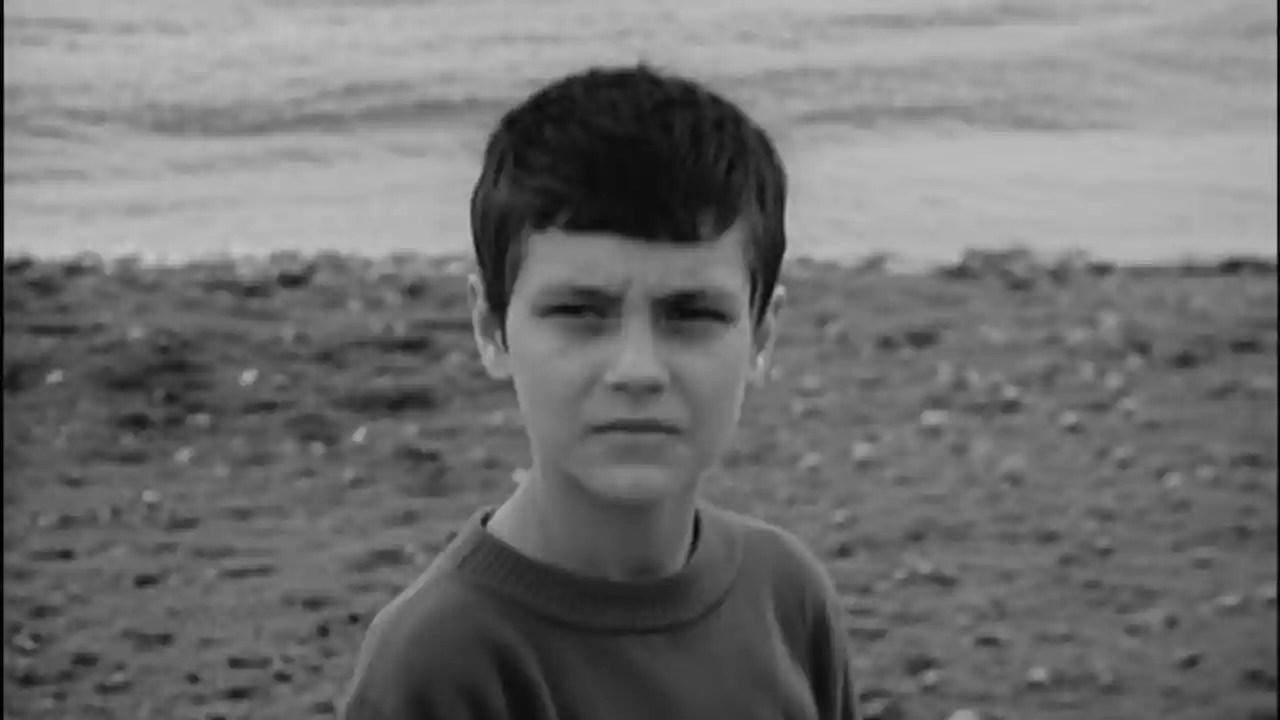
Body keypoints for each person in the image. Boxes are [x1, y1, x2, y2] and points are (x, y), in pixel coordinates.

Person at [341, 63, 860, 720]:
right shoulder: (443, 662)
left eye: (692, 314)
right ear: (492, 327)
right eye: (579, 312)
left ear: (761, 334)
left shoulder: (787, 596)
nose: (637, 370)